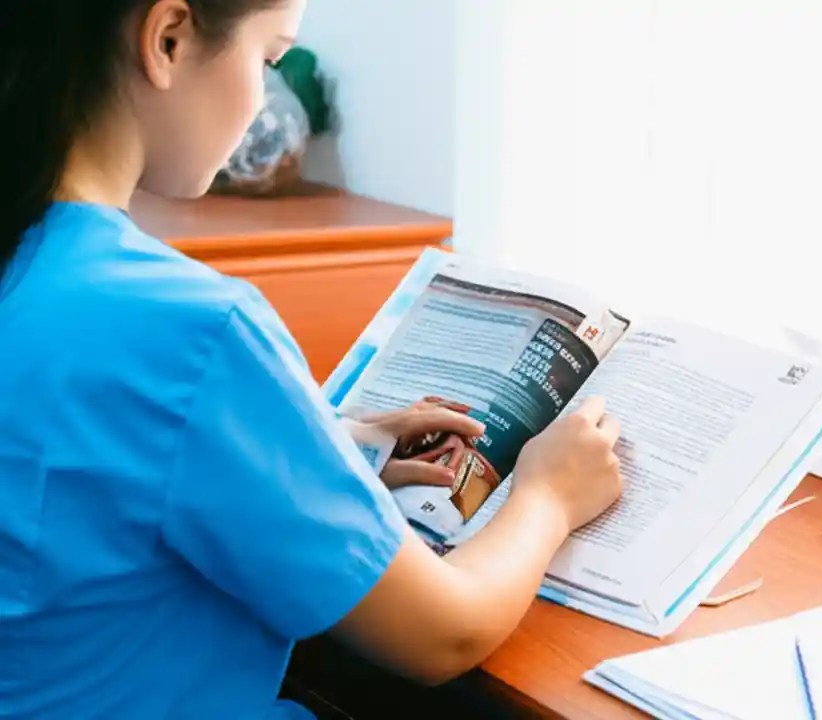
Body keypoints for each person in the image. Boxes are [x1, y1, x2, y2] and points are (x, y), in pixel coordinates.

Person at [0, 1, 624, 717]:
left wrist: (328, 444)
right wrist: (549, 495)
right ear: (167, 39)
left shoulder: (40, 267)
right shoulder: (190, 324)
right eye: (268, 58)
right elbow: (444, 635)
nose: (263, 97)